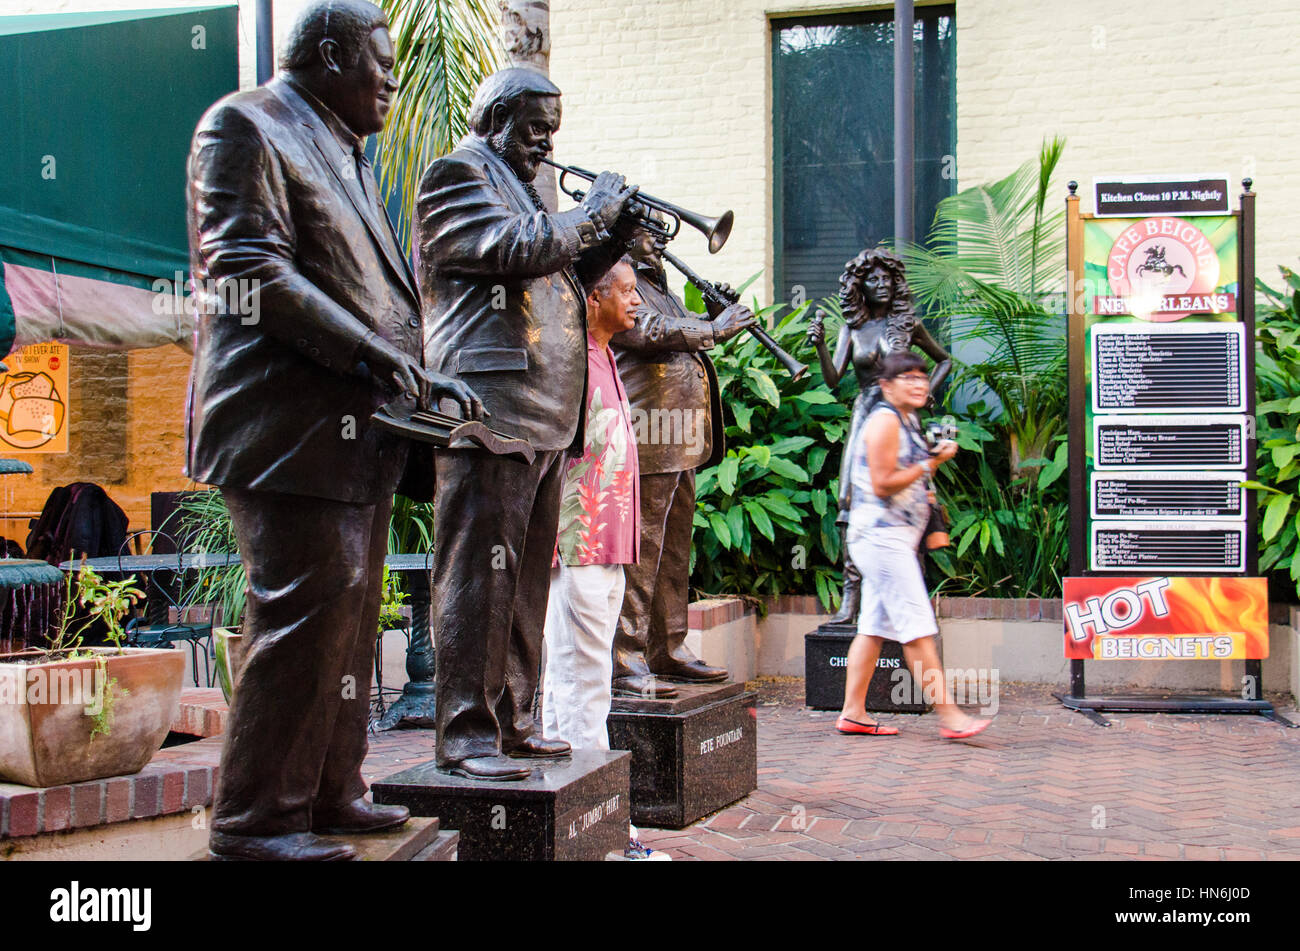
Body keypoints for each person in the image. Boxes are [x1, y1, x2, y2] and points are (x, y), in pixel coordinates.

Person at [186, 0, 483, 861]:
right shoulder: (244, 126)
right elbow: (246, 269)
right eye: (379, 66)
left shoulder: (344, 151)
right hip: (283, 425)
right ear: (325, 53)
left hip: (360, 428)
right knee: (306, 610)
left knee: (351, 611)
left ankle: (328, 788)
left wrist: (414, 367)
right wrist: (370, 351)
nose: (391, 84)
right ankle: (256, 817)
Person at [417, 68, 640, 780]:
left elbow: (558, 275)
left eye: (553, 130)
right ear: (496, 116)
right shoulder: (457, 174)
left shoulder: (522, 186)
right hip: (489, 407)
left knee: (521, 585)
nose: (547, 143)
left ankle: (513, 721)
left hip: (540, 413)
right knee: (478, 579)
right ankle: (466, 736)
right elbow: (509, 249)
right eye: (536, 127)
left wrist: (613, 234)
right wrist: (591, 214)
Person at [538, 257, 669, 861]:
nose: (638, 302)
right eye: (627, 292)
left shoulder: (606, 356)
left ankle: (589, 822)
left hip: (605, 550)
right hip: (576, 547)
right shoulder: (569, 360)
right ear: (593, 298)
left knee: (585, 684)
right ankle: (596, 828)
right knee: (578, 683)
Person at [609, 222, 757, 697]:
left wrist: (713, 314)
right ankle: (625, 658)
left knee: (673, 551)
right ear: (626, 236)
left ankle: (668, 648)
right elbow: (645, 331)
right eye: (650, 232)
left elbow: (677, 334)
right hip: (649, 435)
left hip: (679, 440)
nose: (662, 240)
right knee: (643, 551)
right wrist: (712, 327)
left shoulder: (658, 284)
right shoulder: (619, 281)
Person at [836, 351, 991, 741]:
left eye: (922, 376)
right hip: (881, 539)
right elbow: (884, 481)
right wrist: (930, 465)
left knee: (872, 628)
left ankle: (853, 713)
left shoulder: (907, 420)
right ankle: (951, 716)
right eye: (908, 377)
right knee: (918, 627)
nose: (920, 383)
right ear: (886, 386)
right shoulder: (885, 420)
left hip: (891, 539)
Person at [807, 247, 951, 624]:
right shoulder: (853, 329)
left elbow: (945, 359)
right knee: (848, 497)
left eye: (886, 278)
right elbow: (833, 379)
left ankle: (909, 590)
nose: (880, 284)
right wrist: (821, 344)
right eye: (872, 280)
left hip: (902, 417)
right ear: (860, 288)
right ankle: (851, 600)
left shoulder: (908, 325)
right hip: (865, 412)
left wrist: (927, 392)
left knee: (908, 495)